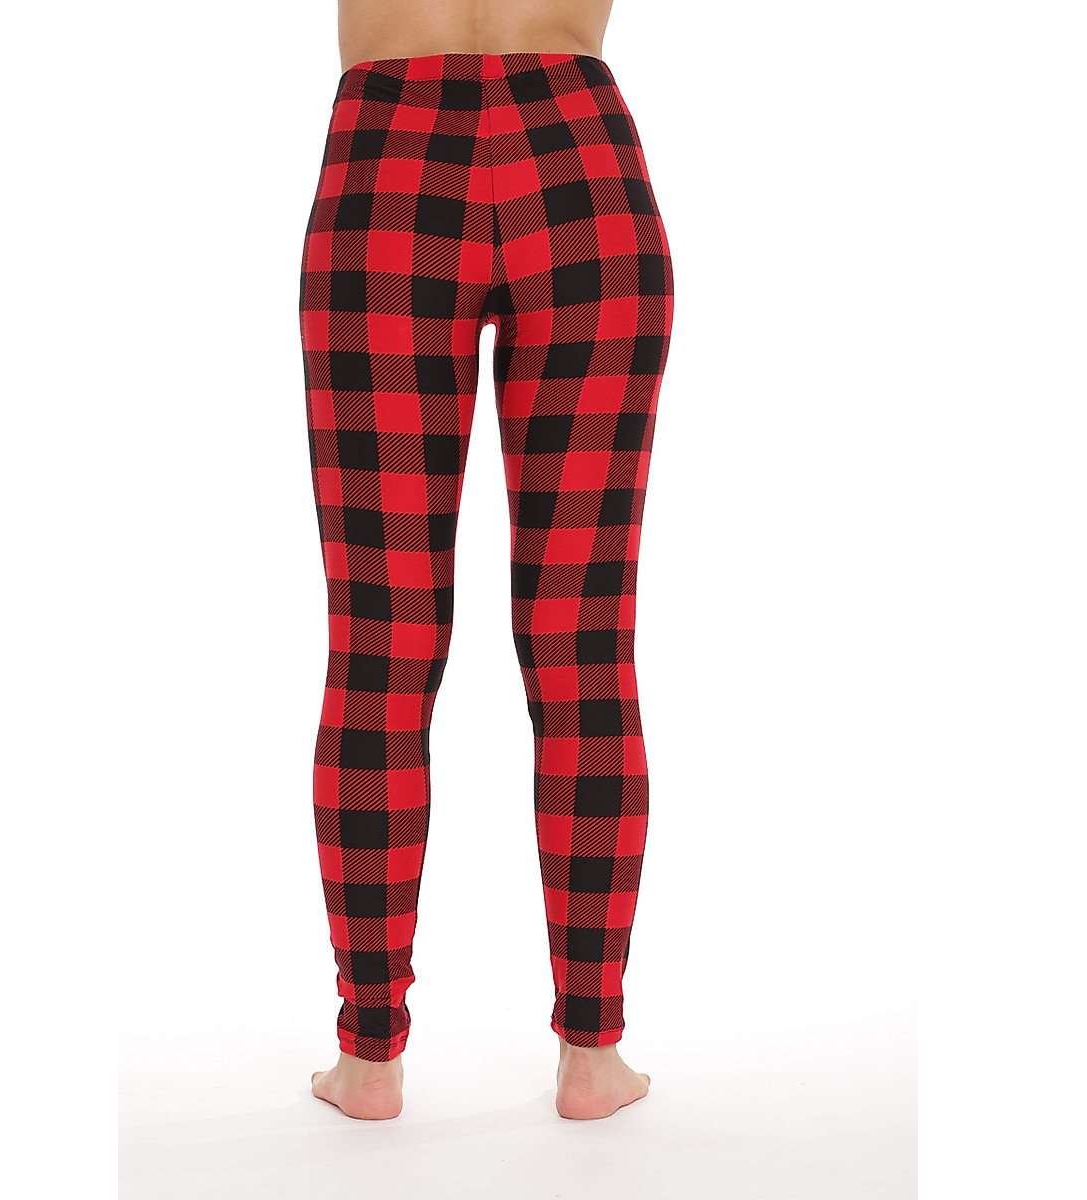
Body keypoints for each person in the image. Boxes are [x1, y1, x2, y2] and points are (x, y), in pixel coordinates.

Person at [300, 0, 674, 1120]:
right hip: (579, 164)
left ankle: (370, 1058)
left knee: (381, 641)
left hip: (387, 162)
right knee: (582, 640)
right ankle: (593, 1055)